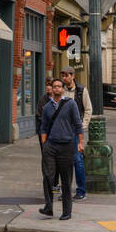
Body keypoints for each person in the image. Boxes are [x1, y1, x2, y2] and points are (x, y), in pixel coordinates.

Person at [38, 78, 83, 221]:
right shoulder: (47, 107)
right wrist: (44, 145)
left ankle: (66, 211)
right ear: (51, 89)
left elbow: (77, 124)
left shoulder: (71, 104)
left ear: (63, 89)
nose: (56, 88)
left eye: (59, 86)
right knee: (48, 176)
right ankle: (48, 207)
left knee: (66, 179)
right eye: (54, 86)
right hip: (51, 146)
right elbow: (43, 127)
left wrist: (80, 142)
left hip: (67, 145)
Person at [61, 66, 92, 200]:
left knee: (77, 160)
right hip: (62, 130)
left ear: (73, 76)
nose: (64, 78)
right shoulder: (61, 89)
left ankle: (81, 191)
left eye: (67, 75)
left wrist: (82, 126)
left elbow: (88, 109)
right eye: (63, 75)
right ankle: (65, 191)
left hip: (75, 131)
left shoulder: (81, 90)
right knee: (64, 162)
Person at [35, 77, 53, 145]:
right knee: (45, 152)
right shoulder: (42, 100)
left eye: (50, 85)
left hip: (56, 132)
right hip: (44, 130)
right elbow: (38, 115)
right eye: (47, 85)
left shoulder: (59, 99)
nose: (48, 87)